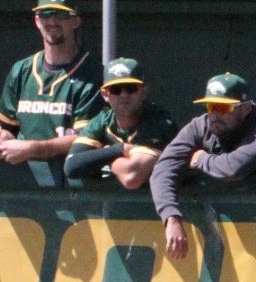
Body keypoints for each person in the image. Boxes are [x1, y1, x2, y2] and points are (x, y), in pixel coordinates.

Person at [151, 73, 256, 261]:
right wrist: (171, 217)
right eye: (210, 106)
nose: (214, 114)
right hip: (227, 234)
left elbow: (233, 168)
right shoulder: (201, 125)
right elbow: (163, 169)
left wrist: (201, 159)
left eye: (223, 107)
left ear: (245, 108)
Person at [0, 0, 105, 164]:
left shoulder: (92, 73)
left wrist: (32, 148)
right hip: (24, 173)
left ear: (76, 21)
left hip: (71, 173)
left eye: (61, 14)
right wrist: (5, 137)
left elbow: (87, 138)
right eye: (45, 14)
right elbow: (8, 125)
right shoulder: (21, 70)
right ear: (37, 20)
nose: (52, 21)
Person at [63, 58, 176, 189]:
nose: (124, 95)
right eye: (115, 89)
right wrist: (119, 149)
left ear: (144, 91)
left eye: (131, 88)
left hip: (169, 199)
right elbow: (71, 166)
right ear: (105, 94)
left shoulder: (159, 122)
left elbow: (131, 178)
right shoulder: (102, 121)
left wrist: (106, 156)